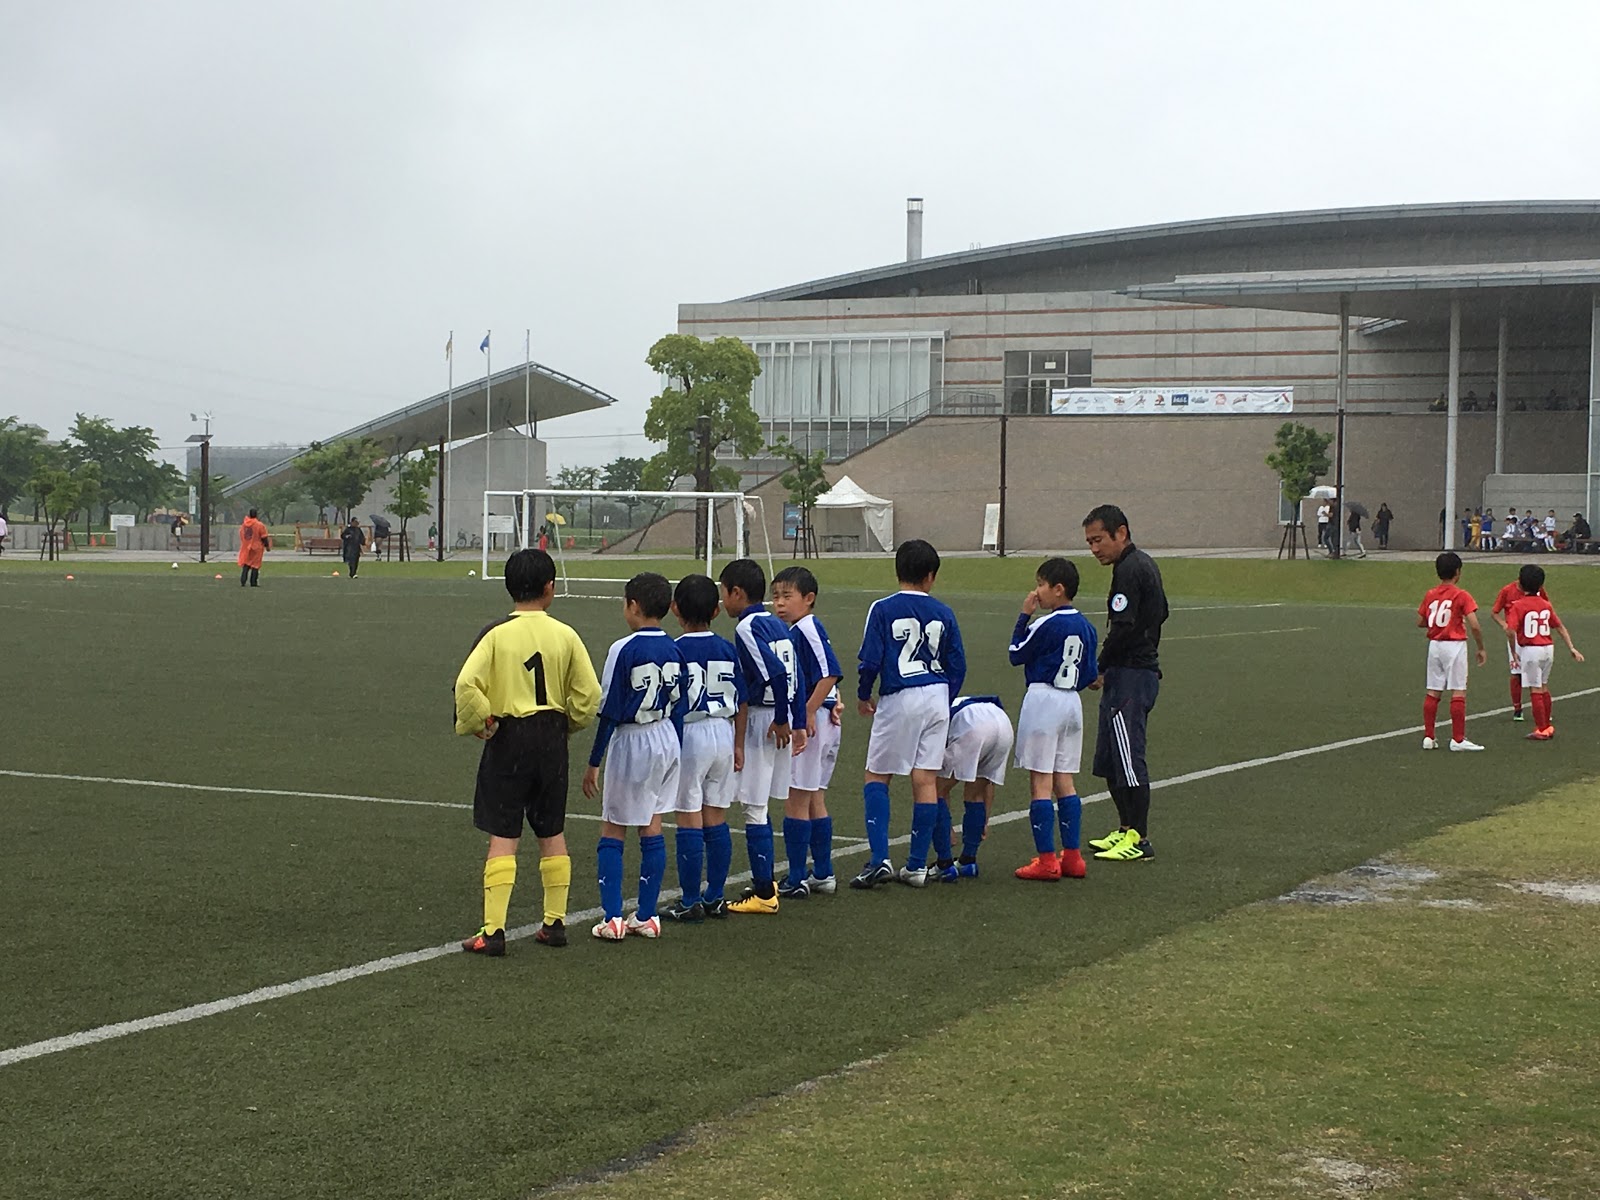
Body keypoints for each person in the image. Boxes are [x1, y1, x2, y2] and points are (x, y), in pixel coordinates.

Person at [455, 548, 602, 956]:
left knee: (504, 834)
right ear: (549, 588)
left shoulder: (495, 634)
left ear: (509, 588)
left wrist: (481, 722)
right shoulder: (566, 634)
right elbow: (588, 694)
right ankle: (554, 924)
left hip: (510, 738)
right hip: (552, 737)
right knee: (552, 830)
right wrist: (567, 723)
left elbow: (466, 684)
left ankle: (494, 931)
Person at [853, 538, 967, 889]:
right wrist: (943, 697)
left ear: (897, 570)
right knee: (926, 779)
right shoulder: (944, 612)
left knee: (877, 776)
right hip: (936, 694)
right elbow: (957, 665)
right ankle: (917, 866)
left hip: (900, 694)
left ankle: (879, 860)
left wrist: (863, 694)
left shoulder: (883, 608)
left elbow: (870, 660)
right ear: (930, 576)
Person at [582, 572, 686, 940]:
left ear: (634, 606)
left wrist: (595, 761)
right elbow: (680, 705)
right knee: (652, 822)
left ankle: (612, 917)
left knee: (613, 824)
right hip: (666, 738)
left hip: (633, 739)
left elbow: (609, 710)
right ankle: (646, 914)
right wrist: (679, 750)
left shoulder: (622, 649)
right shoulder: (675, 647)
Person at [1082, 505, 1169, 862]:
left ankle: (1139, 837)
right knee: (1111, 757)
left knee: (1129, 756)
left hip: (1132, 675)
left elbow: (1124, 626)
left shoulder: (1132, 568)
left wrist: (1099, 666)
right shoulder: (1135, 565)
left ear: (1121, 532)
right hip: (1128, 673)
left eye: (1099, 540)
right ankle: (1124, 828)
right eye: (1089, 542)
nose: (1094, 549)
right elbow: (1162, 612)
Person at [1008, 557, 1101, 882]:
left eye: (1041, 585)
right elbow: (1092, 674)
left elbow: (1015, 653)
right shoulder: (1087, 627)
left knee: (1041, 782)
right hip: (1071, 704)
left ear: (1057, 589)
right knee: (1065, 780)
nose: (1037, 591)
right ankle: (1073, 858)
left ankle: (1047, 860)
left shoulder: (1046, 623)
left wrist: (1024, 615)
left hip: (1044, 699)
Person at [662, 574, 745, 924]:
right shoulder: (728, 648)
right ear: (716, 609)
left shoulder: (674, 649)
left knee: (688, 815)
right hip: (723, 732)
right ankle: (714, 896)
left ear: (674, 608)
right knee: (717, 815)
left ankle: (691, 899)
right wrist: (739, 744)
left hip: (691, 733)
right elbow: (743, 701)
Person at [718, 558, 796, 914]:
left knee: (754, 805)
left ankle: (764, 892)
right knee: (759, 802)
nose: (722, 601)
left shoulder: (748, 627)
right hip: (780, 714)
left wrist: (781, 718)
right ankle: (767, 882)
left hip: (765, 718)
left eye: (724, 593)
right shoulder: (778, 624)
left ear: (737, 593)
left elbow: (776, 673)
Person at [771, 565, 843, 899]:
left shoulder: (806, 627)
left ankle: (797, 876)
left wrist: (809, 712)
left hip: (814, 722)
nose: (779, 603)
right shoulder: (801, 629)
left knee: (797, 797)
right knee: (814, 796)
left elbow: (829, 673)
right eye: (776, 596)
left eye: (787, 596)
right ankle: (823, 872)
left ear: (809, 598)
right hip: (825, 717)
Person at [930, 696, 1014, 881]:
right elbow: (988, 785)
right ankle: (968, 861)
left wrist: (946, 828)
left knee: (932, 791)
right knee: (975, 793)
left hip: (974, 727)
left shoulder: (934, 712)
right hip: (1004, 724)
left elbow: (939, 787)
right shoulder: (960, 702)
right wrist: (984, 819)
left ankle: (944, 864)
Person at [1504, 563, 1584, 741]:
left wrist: (1513, 650)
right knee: (1544, 686)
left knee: (1535, 688)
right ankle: (1547, 724)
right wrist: (1571, 647)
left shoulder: (1518, 605)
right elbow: (1559, 626)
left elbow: (1510, 630)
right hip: (1548, 648)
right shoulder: (1545, 604)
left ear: (1521, 584)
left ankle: (1542, 728)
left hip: (1531, 650)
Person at [1418, 551, 1488, 752]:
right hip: (1454, 645)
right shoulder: (1461, 595)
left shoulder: (1430, 594)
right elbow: (1474, 625)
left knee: (1433, 690)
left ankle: (1429, 737)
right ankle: (1458, 739)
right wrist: (1481, 648)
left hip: (1435, 645)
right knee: (1458, 690)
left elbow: (1422, 621)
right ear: (1458, 572)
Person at [1490, 569, 1548, 721]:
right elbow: (1495, 612)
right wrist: (1504, 625)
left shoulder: (1537, 590)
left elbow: (1546, 606)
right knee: (1516, 673)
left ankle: (1543, 711)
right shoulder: (1507, 591)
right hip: (1515, 637)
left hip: (1533, 638)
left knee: (1538, 676)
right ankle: (1517, 708)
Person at [237, 508, 269, 587]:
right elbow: (264, 537)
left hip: (246, 547)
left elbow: (241, 534)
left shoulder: (244, 525)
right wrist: (267, 546)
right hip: (256, 548)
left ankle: (243, 581)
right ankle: (253, 582)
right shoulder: (259, 525)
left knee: (246, 565)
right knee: (255, 565)